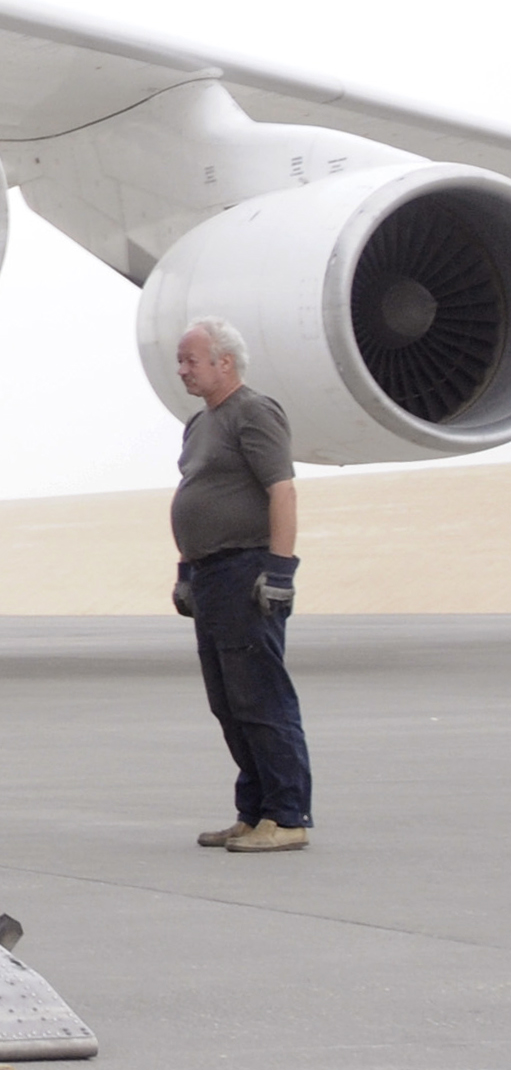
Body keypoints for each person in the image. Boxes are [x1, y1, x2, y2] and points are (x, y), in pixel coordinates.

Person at [170, 317, 309, 850]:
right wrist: (186, 570)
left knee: (261, 699)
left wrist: (279, 571)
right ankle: (253, 812)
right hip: (210, 576)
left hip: (246, 572)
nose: (182, 370)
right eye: (181, 361)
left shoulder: (254, 411)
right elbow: (199, 494)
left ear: (224, 362)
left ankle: (288, 816)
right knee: (228, 702)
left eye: (191, 360)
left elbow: (283, 490)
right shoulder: (200, 423)